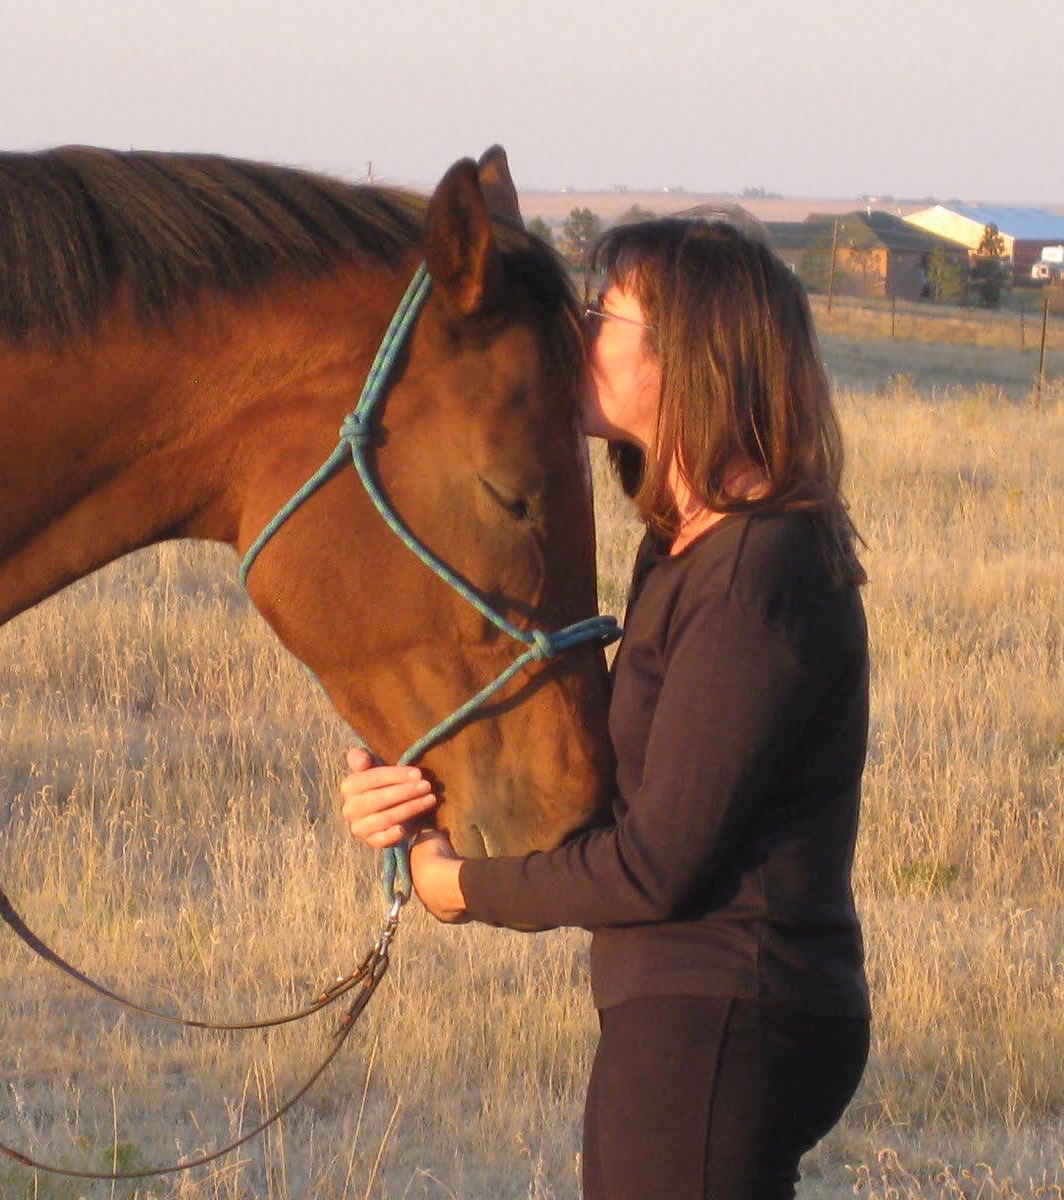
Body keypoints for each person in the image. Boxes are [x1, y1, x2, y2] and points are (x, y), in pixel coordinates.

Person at [339, 215, 870, 1200]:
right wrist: (425, 803)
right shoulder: (686, 552)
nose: (574, 337)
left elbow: (652, 864)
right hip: (699, 1012)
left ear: (692, 357)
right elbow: (612, 801)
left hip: (723, 1016)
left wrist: (459, 889)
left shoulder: (754, 571)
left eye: (603, 315)